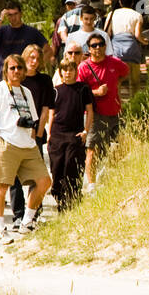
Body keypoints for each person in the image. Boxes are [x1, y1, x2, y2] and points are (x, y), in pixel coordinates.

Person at [0, 54, 52, 243]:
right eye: (12, 68)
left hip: (27, 144)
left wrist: (33, 137)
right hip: (7, 142)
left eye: (19, 68)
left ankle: (26, 221)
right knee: (2, 187)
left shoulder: (26, 92)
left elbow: (33, 119)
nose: (16, 71)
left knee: (44, 181)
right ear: (6, 70)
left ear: (23, 71)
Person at [76, 33, 128, 194]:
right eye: (93, 45)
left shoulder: (114, 63)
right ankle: (91, 184)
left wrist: (115, 86)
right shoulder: (84, 67)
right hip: (95, 114)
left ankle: (104, 172)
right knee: (92, 149)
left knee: (123, 145)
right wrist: (96, 93)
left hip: (115, 110)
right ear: (89, 49)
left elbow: (125, 72)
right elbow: (78, 92)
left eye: (100, 44)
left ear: (105, 46)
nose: (97, 48)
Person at [10, 43, 55, 225]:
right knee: (15, 177)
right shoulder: (15, 79)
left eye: (37, 58)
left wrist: (37, 133)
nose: (34, 61)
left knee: (37, 174)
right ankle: (18, 214)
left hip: (35, 132)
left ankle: (34, 212)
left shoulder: (44, 80)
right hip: (14, 133)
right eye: (31, 57)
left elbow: (45, 109)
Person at [49, 58, 94, 211]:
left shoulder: (83, 89)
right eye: (65, 70)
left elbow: (90, 112)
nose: (68, 72)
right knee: (56, 169)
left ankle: (72, 202)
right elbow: (51, 113)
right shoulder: (56, 90)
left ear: (76, 71)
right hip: (57, 134)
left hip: (75, 134)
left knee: (72, 167)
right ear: (61, 72)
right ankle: (59, 198)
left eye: (71, 69)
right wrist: (49, 134)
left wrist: (86, 131)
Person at [0, 0, 51, 78]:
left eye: (15, 14)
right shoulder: (2, 31)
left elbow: (48, 51)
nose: (13, 17)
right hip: (5, 77)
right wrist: (0, 20)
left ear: (21, 14)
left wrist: (37, 67)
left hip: (26, 77)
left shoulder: (32, 32)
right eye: (10, 15)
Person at [108, 0, 149, 96]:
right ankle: (134, 103)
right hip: (132, 49)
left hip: (116, 50)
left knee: (117, 81)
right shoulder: (137, 15)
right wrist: (145, 42)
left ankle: (118, 105)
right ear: (132, 3)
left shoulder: (112, 14)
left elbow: (108, 33)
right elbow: (137, 35)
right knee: (135, 80)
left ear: (120, 2)